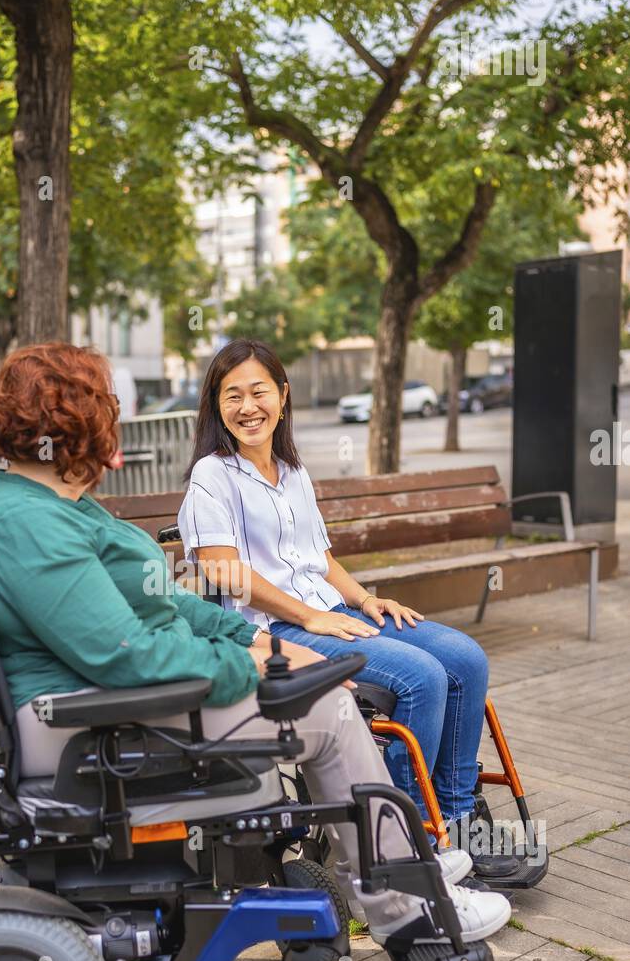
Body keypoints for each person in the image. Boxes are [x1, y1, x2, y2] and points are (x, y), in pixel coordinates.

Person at [0, 341, 510, 949]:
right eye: (105, 408)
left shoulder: (57, 505)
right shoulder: (31, 521)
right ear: (75, 423)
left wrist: (253, 637)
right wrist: (255, 664)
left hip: (113, 702)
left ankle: (404, 865)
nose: (112, 424)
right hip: (80, 726)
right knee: (327, 712)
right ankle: (402, 900)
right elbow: (125, 657)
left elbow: (170, 602)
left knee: (352, 689)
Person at [178, 338, 518, 881]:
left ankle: (453, 819)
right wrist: (308, 616)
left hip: (331, 608)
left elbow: (321, 559)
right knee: (422, 678)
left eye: (259, 392)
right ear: (215, 405)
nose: (248, 407)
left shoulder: (292, 471)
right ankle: (406, 844)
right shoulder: (212, 476)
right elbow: (224, 572)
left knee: (466, 658)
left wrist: (365, 599)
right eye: (232, 395)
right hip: (275, 629)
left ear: (283, 396)